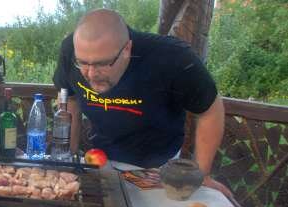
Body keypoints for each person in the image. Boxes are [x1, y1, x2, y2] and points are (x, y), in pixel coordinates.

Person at [53, 9, 230, 195]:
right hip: (100, 158)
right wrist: (68, 156)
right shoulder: (69, 51)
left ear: (127, 49)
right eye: (83, 63)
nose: (91, 74)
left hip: (159, 169)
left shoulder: (171, 58)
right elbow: (70, 98)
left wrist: (202, 174)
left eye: (102, 64)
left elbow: (210, 110)